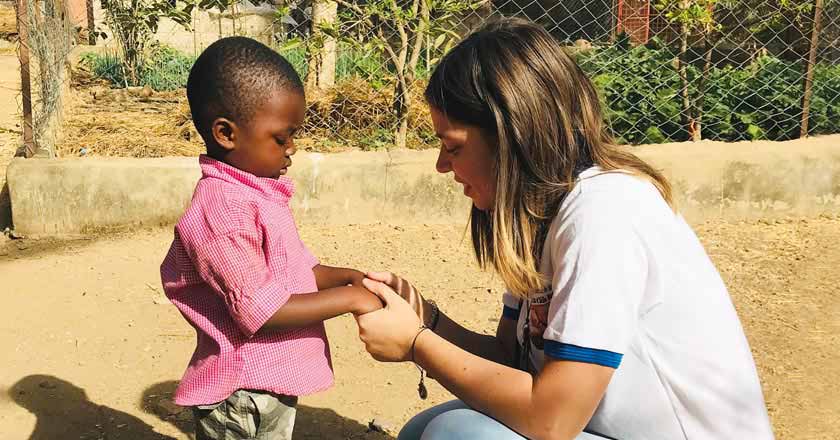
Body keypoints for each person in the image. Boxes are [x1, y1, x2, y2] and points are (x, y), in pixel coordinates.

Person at [356, 18, 774, 440]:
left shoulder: (604, 212)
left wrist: (416, 343)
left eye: (453, 146)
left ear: (510, 135)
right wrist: (427, 320)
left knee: (456, 434)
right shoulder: (541, 215)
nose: (442, 166)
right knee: (422, 430)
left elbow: (551, 420)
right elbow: (512, 360)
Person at [159, 36, 381, 440]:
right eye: (282, 137)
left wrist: (349, 278)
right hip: (240, 394)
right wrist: (350, 300)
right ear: (227, 134)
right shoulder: (222, 210)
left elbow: (298, 272)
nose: (292, 148)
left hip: (266, 386)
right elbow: (261, 313)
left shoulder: (255, 194)